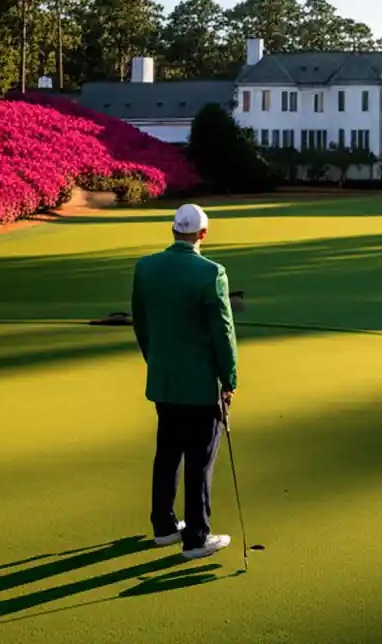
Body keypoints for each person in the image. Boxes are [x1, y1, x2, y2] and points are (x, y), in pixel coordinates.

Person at [131, 203, 238, 559]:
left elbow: (141, 323)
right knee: (199, 459)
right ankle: (196, 537)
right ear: (203, 233)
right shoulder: (212, 273)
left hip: (164, 380)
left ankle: (163, 527)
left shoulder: (145, 267)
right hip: (201, 385)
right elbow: (223, 331)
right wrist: (229, 378)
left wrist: (156, 360)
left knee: (167, 452)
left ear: (174, 230)